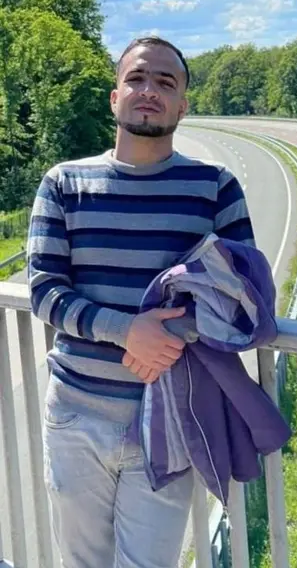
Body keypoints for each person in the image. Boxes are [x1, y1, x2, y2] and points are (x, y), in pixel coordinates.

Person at [27, 35, 255, 568]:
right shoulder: (64, 183)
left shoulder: (215, 188)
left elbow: (242, 295)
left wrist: (169, 333)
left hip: (170, 420)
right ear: (115, 98)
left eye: (165, 82)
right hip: (76, 416)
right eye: (136, 78)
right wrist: (128, 330)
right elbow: (44, 290)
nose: (149, 90)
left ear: (182, 106)